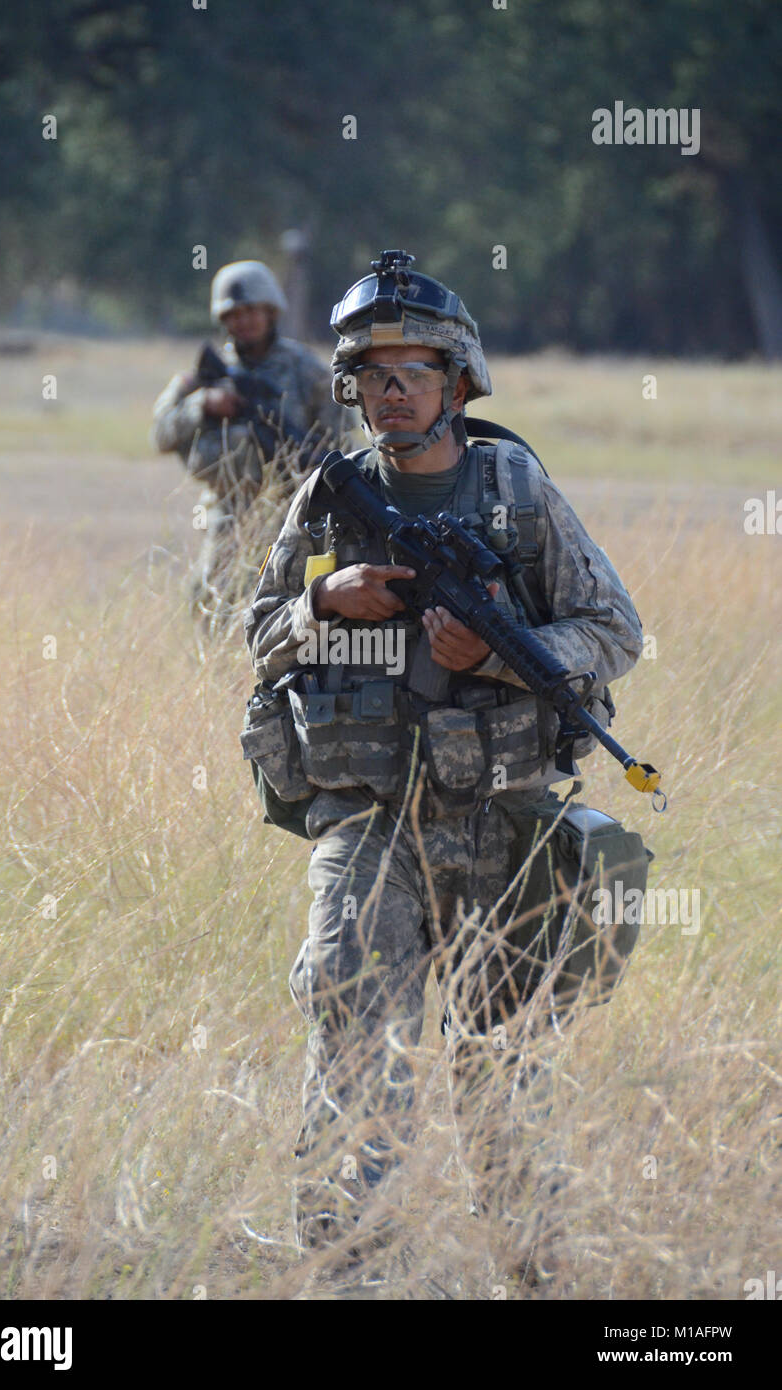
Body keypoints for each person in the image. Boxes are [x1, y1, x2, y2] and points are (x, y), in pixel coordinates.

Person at [243, 251, 645, 1274]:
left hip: (503, 823)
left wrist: (516, 658)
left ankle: (536, 1266)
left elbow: (615, 628)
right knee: (352, 1040)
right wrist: (325, 603)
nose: (386, 393)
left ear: (458, 378)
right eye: (369, 376)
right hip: (367, 824)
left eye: (407, 372)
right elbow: (257, 632)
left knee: (501, 1066)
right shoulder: (332, 496)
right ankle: (349, 1269)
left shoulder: (515, 487)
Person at [151, 259, 345, 616]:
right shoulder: (205, 376)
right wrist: (203, 405)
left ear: (271, 311)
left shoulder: (307, 370)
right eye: (234, 314)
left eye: (251, 310)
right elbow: (160, 434)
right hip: (228, 513)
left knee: (290, 605)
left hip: (293, 511)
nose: (244, 321)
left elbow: (339, 441)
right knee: (213, 604)